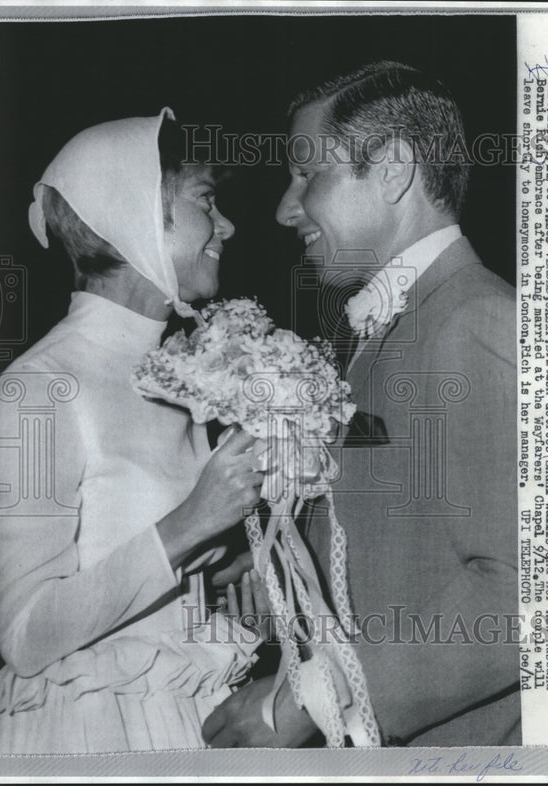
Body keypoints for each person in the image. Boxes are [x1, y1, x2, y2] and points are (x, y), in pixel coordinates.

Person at [203, 61, 519, 747]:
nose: (286, 209)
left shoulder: (476, 322)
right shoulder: (381, 329)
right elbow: (391, 544)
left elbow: (521, 592)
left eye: (307, 175)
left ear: (394, 170)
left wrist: (296, 705)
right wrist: (279, 582)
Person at [0, 108, 267, 753]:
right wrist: (192, 523)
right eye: (207, 201)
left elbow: (138, 573)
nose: (227, 226)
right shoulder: (37, 388)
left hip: (192, 714)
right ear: (136, 214)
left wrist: (232, 579)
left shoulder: (179, 374)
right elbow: (25, 635)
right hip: (90, 731)